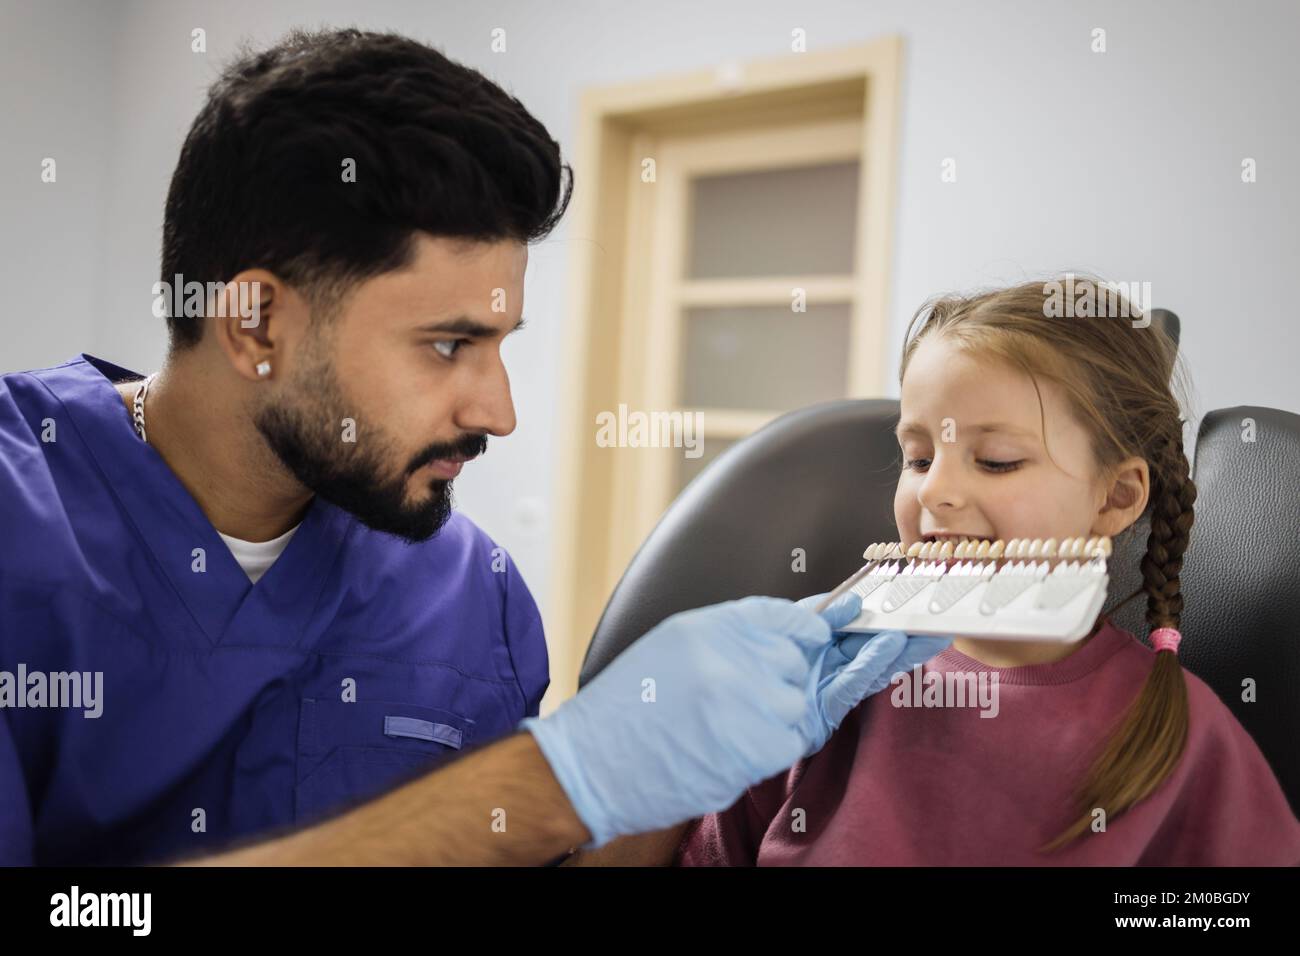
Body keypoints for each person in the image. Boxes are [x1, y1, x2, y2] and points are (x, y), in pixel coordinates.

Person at [0, 27, 948, 866]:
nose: (500, 412)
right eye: (449, 345)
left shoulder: (471, 594)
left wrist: (680, 772)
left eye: (501, 346)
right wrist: (548, 785)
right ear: (253, 322)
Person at [570, 278, 1300, 866]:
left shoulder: (1183, 734)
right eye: (918, 457)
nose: (934, 492)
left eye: (996, 461)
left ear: (1116, 496)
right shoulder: (819, 688)